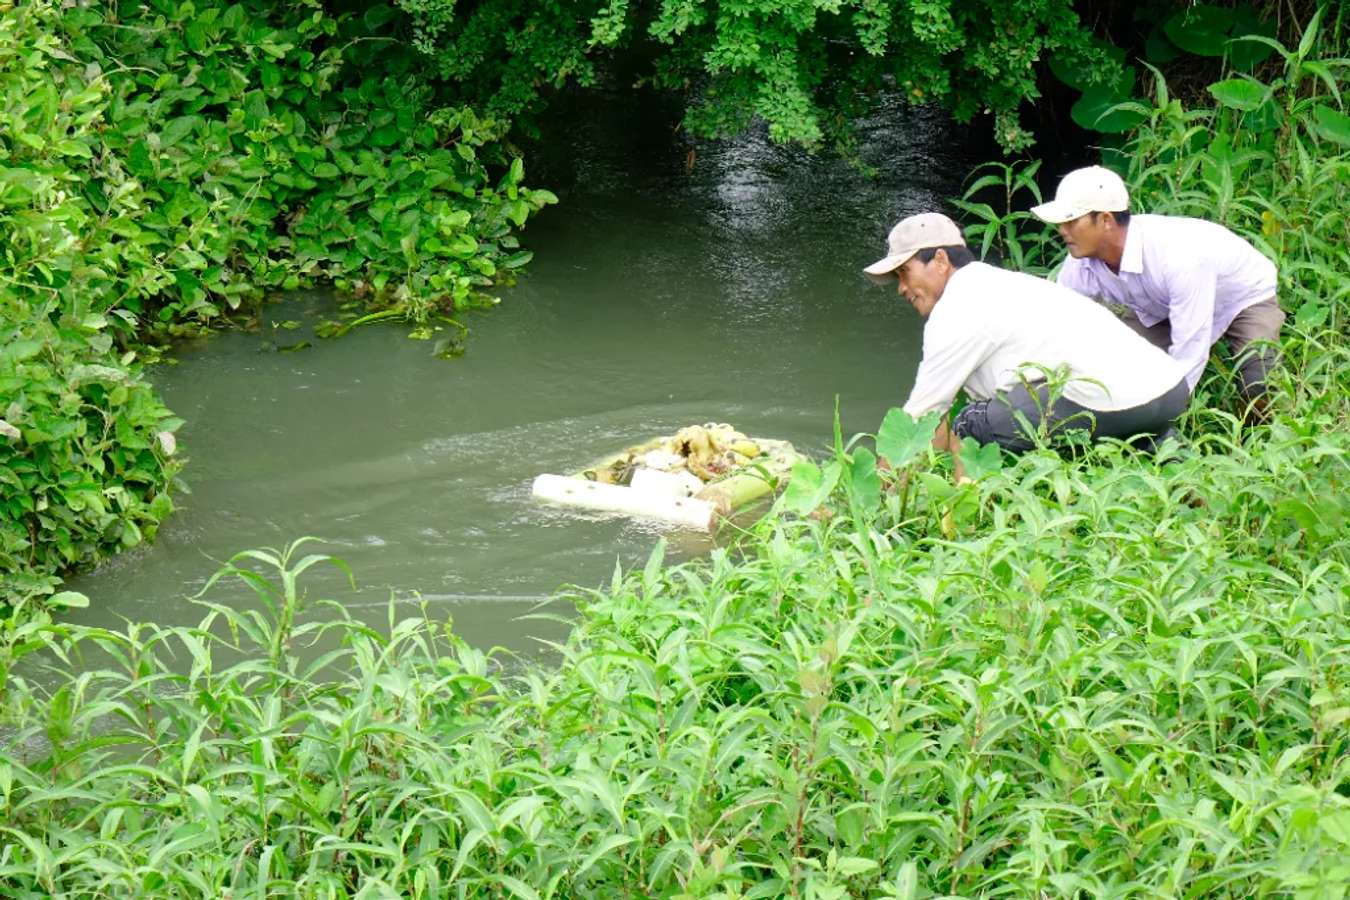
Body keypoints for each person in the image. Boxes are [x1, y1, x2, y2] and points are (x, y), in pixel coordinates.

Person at [863, 213, 1190, 475]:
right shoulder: (1005, 284)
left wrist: (880, 496)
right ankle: (1168, 453)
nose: (901, 288)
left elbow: (921, 418)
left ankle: (967, 522)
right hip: (1169, 391)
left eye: (905, 273)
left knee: (971, 423)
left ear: (939, 260)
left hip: (1115, 402)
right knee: (1009, 407)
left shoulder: (957, 308)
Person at [1031, 165, 1284, 410]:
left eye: (1071, 221)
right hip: (1161, 309)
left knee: (1258, 381)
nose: (1062, 230)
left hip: (1242, 298)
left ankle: (1254, 439)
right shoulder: (1080, 264)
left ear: (1106, 220)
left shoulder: (1179, 257)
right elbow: (1061, 322)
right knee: (1119, 364)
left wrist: (1163, 414)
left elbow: (1190, 349)